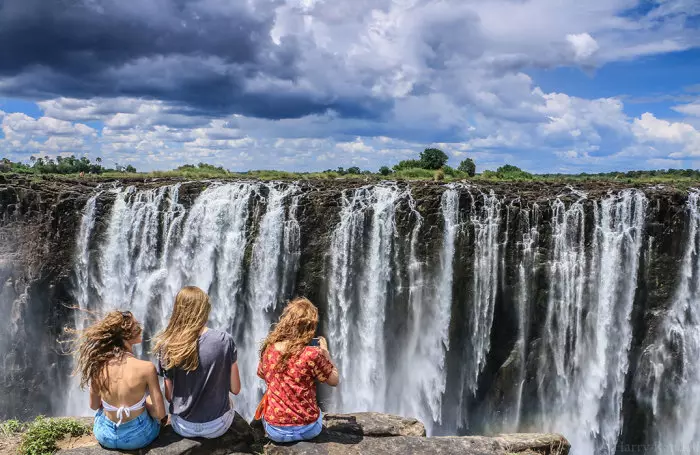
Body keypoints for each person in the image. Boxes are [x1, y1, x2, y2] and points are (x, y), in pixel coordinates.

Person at [153, 286, 241, 439]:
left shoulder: (166, 344)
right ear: (205, 309)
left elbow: (169, 396)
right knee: (230, 402)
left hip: (182, 426)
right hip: (217, 426)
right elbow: (235, 389)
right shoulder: (225, 340)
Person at [76, 310, 166, 450]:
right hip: (138, 437)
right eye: (136, 326)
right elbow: (160, 414)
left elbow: (94, 406)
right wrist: (142, 404)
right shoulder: (147, 368)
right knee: (148, 399)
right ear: (125, 335)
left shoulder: (98, 365)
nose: (140, 328)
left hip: (105, 435)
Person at [256, 297, 339, 443]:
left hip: (275, 430)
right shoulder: (312, 354)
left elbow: (262, 374)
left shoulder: (269, 350)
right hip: (309, 429)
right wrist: (326, 353)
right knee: (318, 415)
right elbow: (334, 380)